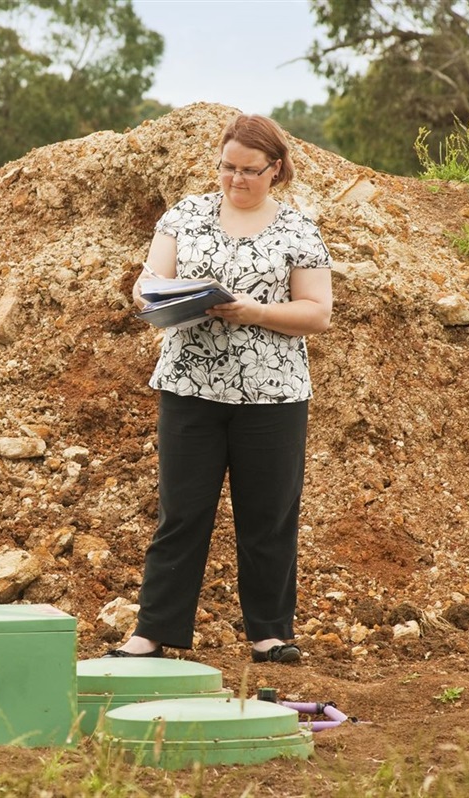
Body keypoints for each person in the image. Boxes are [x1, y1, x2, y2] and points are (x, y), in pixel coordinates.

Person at [107, 113, 333, 664]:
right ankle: (152, 632)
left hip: (272, 394)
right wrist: (159, 297)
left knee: (268, 515)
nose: (236, 179)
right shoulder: (185, 215)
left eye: (249, 170)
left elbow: (317, 312)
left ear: (275, 169)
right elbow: (148, 283)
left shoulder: (298, 230)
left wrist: (251, 311)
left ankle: (270, 634)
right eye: (227, 167)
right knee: (182, 512)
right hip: (190, 386)